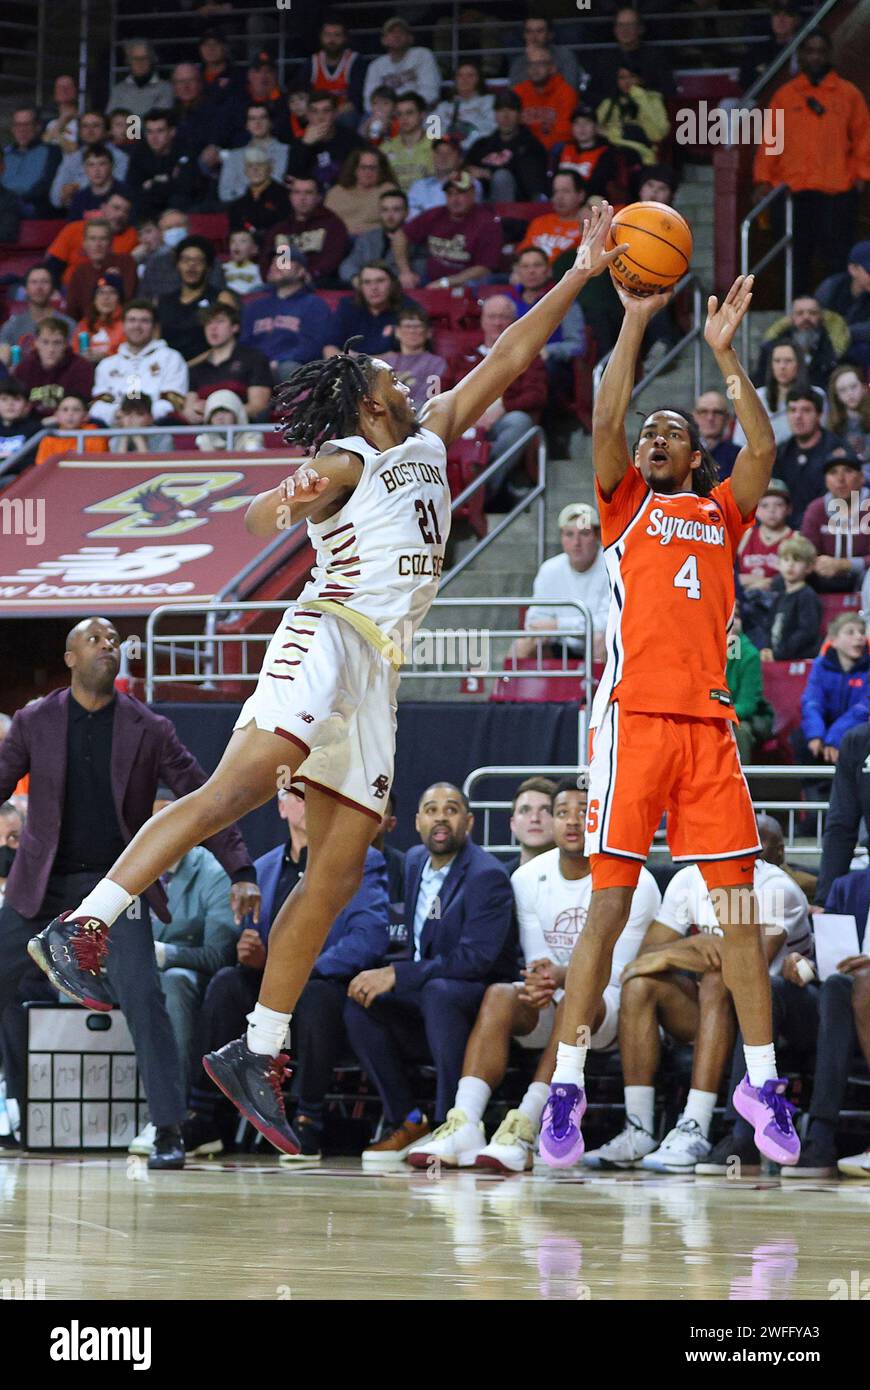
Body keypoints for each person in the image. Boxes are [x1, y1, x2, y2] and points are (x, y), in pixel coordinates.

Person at [27, 204, 628, 1158]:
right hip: (328, 634)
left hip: (378, 674)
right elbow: (269, 514)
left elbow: (511, 354)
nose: (406, 369)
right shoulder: (349, 455)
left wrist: (582, 271)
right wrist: (283, 497)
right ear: (364, 400)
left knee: (341, 864)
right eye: (389, 368)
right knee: (234, 790)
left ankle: (257, 1050)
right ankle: (87, 923)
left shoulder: (431, 430)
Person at [537, 268, 804, 1172]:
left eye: (671, 433)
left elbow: (761, 455)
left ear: (696, 458)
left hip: (709, 731)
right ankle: (568, 1083)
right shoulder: (625, 507)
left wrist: (730, 361)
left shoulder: (718, 511)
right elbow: (606, 419)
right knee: (610, 906)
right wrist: (635, 320)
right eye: (650, 433)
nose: (653, 438)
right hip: (635, 724)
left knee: (739, 913)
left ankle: (761, 1081)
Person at [0, 617, 258, 1170]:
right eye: (94, 639)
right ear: (69, 658)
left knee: (145, 995)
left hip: (116, 889)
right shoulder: (34, 721)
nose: (107, 646)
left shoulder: (149, 727)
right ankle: (17, 1106)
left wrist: (240, 866)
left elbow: (203, 796)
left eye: (114, 640)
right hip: (40, 885)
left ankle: (169, 1128)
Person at [405, 779, 660, 1173]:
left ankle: (524, 1126)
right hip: (552, 996)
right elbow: (537, 960)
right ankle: (464, 1121)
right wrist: (546, 978)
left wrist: (559, 978)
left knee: (581, 999)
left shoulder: (635, 881)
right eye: (562, 813)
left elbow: (617, 970)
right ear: (552, 822)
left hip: (611, 1009)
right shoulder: (526, 877)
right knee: (500, 995)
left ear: (601, 820)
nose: (573, 821)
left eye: (584, 812)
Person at [585, 825, 809, 1173]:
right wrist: (693, 947)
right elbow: (646, 955)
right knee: (640, 985)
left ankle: (695, 1126)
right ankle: (639, 1127)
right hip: (711, 1014)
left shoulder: (776, 887)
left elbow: (747, 963)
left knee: (720, 978)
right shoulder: (687, 879)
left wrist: (679, 952)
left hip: (764, 1021)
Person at [349, 783, 516, 1165]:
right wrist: (388, 973)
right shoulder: (412, 862)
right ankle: (408, 1119)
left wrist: (400, 973)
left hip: (479, 995)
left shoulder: (486, 876)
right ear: (418, 822)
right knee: (359, 1000)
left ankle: (450, 1122)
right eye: (431, 809)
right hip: (429, 987)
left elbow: (474, 959)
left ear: (468, 821)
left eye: (452, 809)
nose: (441, 816)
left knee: (439, 991)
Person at [127, 786, 240, 1154]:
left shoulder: (212, 872)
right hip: (137, 975)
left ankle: (168, 1118)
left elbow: (220, 955)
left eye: (171, 816)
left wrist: (165, 954)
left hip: (191, 983)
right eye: (153, 817)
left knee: (173, 982)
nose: (163, 825)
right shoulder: (131, 865)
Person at [752, 30, 870, 294]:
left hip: (837, 190)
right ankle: (797, 315)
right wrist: (763, 179)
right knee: (795, 257)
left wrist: (861, 176)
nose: (816, 56)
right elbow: (771, 141)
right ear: (800, 56)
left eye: (821, 51)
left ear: (830, 54)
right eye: (810, 51)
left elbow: (864, 138)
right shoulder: (785, 95)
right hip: (794, 191)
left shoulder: (848, 94)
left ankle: (839, 316)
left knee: (838, 258)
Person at [444, 294, 548, 502]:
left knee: (520, 422)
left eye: (504, 317)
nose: (497, 323)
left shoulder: (528, 355)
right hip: (464, 421)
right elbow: (444, 389)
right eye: (492, 317)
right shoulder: (464, 355)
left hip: (501, 422)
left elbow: (537, 395)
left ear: (514, 322)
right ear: (482, 320)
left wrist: (503, 408)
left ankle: (482, 493)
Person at [516, 503, 611, 663]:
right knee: (523, 644)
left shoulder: (612, 566)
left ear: (598, 537)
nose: (576, 542)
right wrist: (549, 630)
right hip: (560, 644)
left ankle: (597, 688)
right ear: (561, 538)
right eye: (569, 534)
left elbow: (607, 621)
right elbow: (534, 621)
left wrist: (558, 625)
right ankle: (520, 688)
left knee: (600, 640)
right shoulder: (549, 569)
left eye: (584, 533)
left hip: (600, 643)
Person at [89, 299, 188, 425]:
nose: (137, 326)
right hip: (115, 432)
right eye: (132, 320)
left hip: (157, 432)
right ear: (123, 325)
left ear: (155, 327)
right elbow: (98, 405)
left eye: (144, 321)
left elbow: (173, 402)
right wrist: (124, 416)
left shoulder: (171, 358)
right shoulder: (107, 364)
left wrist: (140, 417)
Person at [239, 249, 332, 381]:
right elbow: (245, 343)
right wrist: (258, 364)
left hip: (290, 366)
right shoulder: (254, 306)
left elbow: (312, 345)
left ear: (301, 272)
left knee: (289, 370)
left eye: (284, 261)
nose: (276, 265)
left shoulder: (314, 304)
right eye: (273, 262)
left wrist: (278, 361)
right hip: (255, 367)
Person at [404, 170, 501, 290]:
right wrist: (405, 271)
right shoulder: (435, 214)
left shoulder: (487, 223)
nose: (454, 199)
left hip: (466, 284)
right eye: (450, 194)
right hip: (430, 279)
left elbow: (484, 268)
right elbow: (401, 235)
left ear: (473, 194)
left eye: (460, 193)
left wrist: (446, 283)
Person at [794, 614, 870, 768]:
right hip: (827, 729)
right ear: (834, 640)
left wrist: (836, 736)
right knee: (802, 736)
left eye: (861, 632)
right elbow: (812, 702)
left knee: (860, 737)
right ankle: (814, 790)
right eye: (850, 632)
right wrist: (816, 734)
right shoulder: (821, 665)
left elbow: (864, 708)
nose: (859, 637)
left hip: (857, 729)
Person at [184, 302, 272, 423]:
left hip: (243, 432)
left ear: (235, 327)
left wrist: (217, 413)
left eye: (220, 321)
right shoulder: (197, 368)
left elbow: (258, 406)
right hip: (206, 436)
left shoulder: (254, 359)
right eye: (208, 323)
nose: (212, 328)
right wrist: (195, 413)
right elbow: (189, 410)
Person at [259, 177, 350, 290]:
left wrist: (310, 274)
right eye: (297, 192)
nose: (302, 198)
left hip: (316, 283)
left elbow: (331, 259)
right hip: (282, 282)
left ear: (319, 197)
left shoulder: (332, 224)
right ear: (290, 197)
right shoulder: (281, 229)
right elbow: (266, 260)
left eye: (308, 193)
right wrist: (276, 276)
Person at [507, 247, 586, 371]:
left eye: (537, 265)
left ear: (548, 270)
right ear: (517, 272)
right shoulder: (506, 300)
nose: (531, 271)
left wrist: (548, 351)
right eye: (525, 266)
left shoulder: (564, 300)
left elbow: (577, 345)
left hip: (549, 367)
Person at [802, 451, 870, 592]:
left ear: (862, 477)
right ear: (826, 480)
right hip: (823, 578)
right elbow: (806, 550)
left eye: (848, 471)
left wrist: (847, 565)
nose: (840, 479)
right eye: (833, 472)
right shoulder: (816, 509)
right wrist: (818, 564)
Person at [466, 90, 549, 204]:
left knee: (502, 177)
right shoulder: (482, 145)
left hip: (516, 206)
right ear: (495, 115)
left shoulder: (531, 145)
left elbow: (531, 183)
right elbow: (465, 168)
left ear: (520, 115)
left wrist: (489, 173)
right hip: (481, 205)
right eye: (500, 110)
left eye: (511, 110)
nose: (505, 116)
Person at [773, 388, 840, 527]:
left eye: (806, 410)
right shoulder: (781, 452)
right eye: (792, 410)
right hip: (785, 530)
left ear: (819, 415)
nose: (798, 416)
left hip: (826, 527)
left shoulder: (836, 451)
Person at [338, 188, 427, 290]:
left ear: (407, 213)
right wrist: (356, 279)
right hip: (367, 292)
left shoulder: (416, 240)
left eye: (396, 210)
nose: (390, 216)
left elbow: (419, 271)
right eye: (385, 210)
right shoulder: (368, 238)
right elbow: (348, 265)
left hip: (400, 293)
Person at [46, 193, 138, 288]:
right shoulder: (74, 229)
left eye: (126, 211)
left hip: (109, 292)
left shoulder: (132, 236)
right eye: (116, 208)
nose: (120, 215)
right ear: (103, 207)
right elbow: (54, 265)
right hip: (69, 289)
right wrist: (54, 291)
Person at [754, 534, 822, 662]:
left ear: (809, 567)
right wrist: (767, 648)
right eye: (786, 560)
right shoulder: (780, 595)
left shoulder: (807, 596)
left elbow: (806, 633)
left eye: (796, 560)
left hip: (796, 659)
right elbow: (769, 626)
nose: (790, 565)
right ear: (778, 564)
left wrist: (779, 653)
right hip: (778, 656)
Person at [754, 297, 843, 394]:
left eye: (812, 313)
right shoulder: (771, 349)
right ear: (791, 318)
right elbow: (761, 381)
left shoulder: (833, 350)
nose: (806, 318)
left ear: (821, 317)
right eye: (800, 313)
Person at [125, 109, 203, 219]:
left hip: (179, 209)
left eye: (160, 131)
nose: (154, 137)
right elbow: (132, 188)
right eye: (149, 131)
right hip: (148, 209)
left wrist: (152, 184)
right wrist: (168, 182)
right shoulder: (139, 153)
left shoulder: (185, 151)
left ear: (172, 132)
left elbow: (186, 187)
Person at [323, 261, 408, 359]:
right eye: (367, 282)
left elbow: (411, 355)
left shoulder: (407, 309)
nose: (374, 288)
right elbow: (329, 348)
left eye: (380, 281)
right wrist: (342, 359)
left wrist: (357, 359)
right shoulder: (347, 306)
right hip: (350, 370)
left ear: (392, 284)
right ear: (360, 287)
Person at [13, 317, 94, 418]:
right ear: (36, 343)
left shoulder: (81, 367)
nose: (51, 349)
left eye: (57, 343)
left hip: (68, 424)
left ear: (66, 344)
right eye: (45, 342)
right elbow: (15, 404)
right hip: (31, 425)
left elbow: (82, 405)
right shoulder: (24, 368)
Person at [735, 340, 810, 448]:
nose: (782, 366)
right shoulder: (756, 397)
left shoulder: (814, 395)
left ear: (799, 364)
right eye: (777, 361)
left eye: (788, 361)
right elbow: (739, 441)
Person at [50, 111, 130, 212]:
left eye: (95, 126)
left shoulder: (120, 158)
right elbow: (55, 199)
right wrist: (66, 194)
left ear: (107, 131)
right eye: (85, 126)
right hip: (77, 212)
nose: (90, 131)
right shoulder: (72, 158)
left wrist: (76, 188)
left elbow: (116, 191)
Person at [157, 236, 221, 361]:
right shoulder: (164, 301)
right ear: (178, 264)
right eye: (186, 260)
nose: (191, 265)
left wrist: (185, 369)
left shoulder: (219, 299)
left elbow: (224, 345)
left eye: (198, 260)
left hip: (206, 370)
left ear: (208, 267)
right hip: (168, 370)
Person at [591, 7, 675, 102]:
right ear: (615, 30)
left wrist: (641, 87)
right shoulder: (604, 59)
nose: (625, 30)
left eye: (630, 25)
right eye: (620, 25)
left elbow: (669, 91)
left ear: (641, 29)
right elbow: (593, 93)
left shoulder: (656, 58)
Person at [138, 209, 225, 301]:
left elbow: (218, 294)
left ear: (189, 229)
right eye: (169, 228)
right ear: (162, 234)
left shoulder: (209, 260)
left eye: (179, 226)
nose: (174, 231)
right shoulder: (154, 265)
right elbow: (144, 297)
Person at [284, 91, 364, 190]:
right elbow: (290, 180)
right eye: (314, 111)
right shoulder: (299, 143)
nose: (320, 117)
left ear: (335, 114)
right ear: (308, 115)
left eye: (326, 111)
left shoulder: (353, 140)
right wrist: (305, 145)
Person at [63, 217, 138, 321]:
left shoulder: (126, 262)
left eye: (103, 239)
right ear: (84, 244)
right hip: (89, 329)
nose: (97, 244)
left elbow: (128, 300)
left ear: (111, 243)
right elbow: (72, 312)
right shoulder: (80, 272)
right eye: (92, 239)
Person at [595, 64, 670, 167]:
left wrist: (640, 97)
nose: (627, 81)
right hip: (614, 151)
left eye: (632, 77)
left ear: (640, 79)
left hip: (644, 154)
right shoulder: (608, 103)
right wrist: (616, 134)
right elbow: (598, 130)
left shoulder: (653, 99)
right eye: (622, 78)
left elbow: (658, 134)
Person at [362, 18, 442, 112]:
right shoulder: (375, 65)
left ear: (410, 38)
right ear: (384, 40)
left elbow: (431, 92)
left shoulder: (423, 55)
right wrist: (389, 111)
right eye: (391, 32)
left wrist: (405, 110)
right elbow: (368, 99)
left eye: (401, 32)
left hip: (419, 111)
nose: (397, 35)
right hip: (386, 114)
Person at [0, 265, 75, 365]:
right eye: (34, 282)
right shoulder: (12, 325)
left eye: (44, 282)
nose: (39, 287)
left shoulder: (68, 324)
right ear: (25, 289)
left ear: (53, 288)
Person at [726, 610, 774, 763]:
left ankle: (740, 782)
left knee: (738, 731)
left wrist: (719, 715)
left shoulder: (749, 654)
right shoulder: (705, 650)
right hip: (716, 714)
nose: (734, 621)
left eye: (738, 616)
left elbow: (747, 706)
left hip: (747, 719)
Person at [218, 104, 288, 205]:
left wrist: (244, 188)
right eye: (252, 119)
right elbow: (225, 194)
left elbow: (282, 184)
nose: (257, 123)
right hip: (243, 212)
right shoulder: (233, 157)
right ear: (247, 125)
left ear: (271, 122)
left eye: (262, 117)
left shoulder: (286, 152)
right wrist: (252, 191)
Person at [737, 478, 793, 604]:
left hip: (781, 602)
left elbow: (795, 578)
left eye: (778, 505)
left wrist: (757, 581)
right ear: (756, 510)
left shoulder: (795, 539)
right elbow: (732, 577)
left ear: (789, 509)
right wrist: (765, 580)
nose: (771, 510)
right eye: (764, 505)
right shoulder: (745, 536)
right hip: (747, 603)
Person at [552, 104, 624, 201]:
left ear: (596, 127)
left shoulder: (606, 153)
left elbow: (599, 185)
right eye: (577, 123)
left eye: (587, 122)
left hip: (591, 203)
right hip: (562, 201)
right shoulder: (563, 149)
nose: (582, 127)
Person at [381, 305, 447, 412]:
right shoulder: (386, 362)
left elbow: (431, 399)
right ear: (397, 332)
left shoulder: (436, 363)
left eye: (418, 326)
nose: (412, 331)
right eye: (407, 326)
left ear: (428, 332)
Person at [816, 241, 870, 369]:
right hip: (827, 347)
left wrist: (843, 331)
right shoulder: (832, 287)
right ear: (852, 269)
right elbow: (814, 317)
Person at [516, 170, 588, 266]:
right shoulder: (539, 222)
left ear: (581, 195)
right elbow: (522, 254)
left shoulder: (586, 226)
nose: (559, 197)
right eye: (556, 191)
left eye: (565, 191)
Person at [512, 47, 576, 153]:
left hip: (553, 151)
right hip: (523, 151)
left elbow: (564, 132)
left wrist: (539, 149)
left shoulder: (566, 92)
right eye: (531, 64)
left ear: (552, 68)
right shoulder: (518, 92)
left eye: (540, 64)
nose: (534, 69)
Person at [1, 107, 60, 217]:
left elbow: (45, 185)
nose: (22, 129)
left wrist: (12, 200)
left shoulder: (51, 151)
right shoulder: (5, 154)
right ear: (12, 129)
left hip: (33, 208)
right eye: (18, 125)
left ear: (38, 127)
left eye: (27, 125)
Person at [325, 148, 398, 237]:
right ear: (354, 169)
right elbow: (325, 222)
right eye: (363, 167)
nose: (367, 172)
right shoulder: (337, 192)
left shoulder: (388, 190)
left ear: (381, 170)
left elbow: (395, 222)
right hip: (340, 238)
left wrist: (370, 229)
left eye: (372, 168)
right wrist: (346, 229)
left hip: (375, 239)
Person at [406, 137, 481, 221]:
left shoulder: (470, 183)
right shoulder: (418, 186)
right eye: (438, 152)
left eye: (449, 153)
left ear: (460, 159)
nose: (443, 157)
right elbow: (409, 217)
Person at [308, 14, 366, 118]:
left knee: (349, 118)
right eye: (327, 35)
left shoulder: (355, 61)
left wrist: (331, 116)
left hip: (343, 116)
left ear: (345, 38)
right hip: (318, 114)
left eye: (337, 35)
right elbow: (302, 94)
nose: (332, 40)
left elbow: (357, 100)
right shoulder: (312, 61)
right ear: (321, 37)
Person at [379, 93, 436, 195]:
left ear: (422, 115)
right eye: (399, 114)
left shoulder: (436, 145)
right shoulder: (385, 148)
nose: (404, 118)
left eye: (409, 113)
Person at [508, 17, 585, 91]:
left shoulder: (565, 55)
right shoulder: (520, 60)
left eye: (539, 31)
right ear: (524, 35)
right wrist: (530, 60)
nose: (533, 37)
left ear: (550, 34)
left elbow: (571, 87)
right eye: (529, 31)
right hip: (529, 104)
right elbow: (514, 93)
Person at [434, 61, 496, 152]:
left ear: (479, 79)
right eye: (460, 75)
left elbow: (492, 128)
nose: (464, 79)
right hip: (448, 152)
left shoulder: (489, 100)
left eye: (470, 75)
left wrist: (464, 143)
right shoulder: (444, 106)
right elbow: (431, 129)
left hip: (478, 149)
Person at [227, 148, 291, 234]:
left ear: (270, 168)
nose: (255, 169)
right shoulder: (237, 206)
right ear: (245, 171)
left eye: (260, 165)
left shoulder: (285, 196)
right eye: (250, 166)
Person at [34, 392, 108, 466]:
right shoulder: (48, 439)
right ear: (56, 415)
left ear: (86, 416)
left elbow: (96, 464)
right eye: (65, 410)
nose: (70, 414)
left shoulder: (94, 435)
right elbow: (42, 467)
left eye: (76, 410)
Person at [107, 38, 173, 118]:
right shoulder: (118, 90)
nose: (140, 63)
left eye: (144, 58)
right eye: (135, 59)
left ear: (152, 60)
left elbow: (161, 120)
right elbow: (110, 119)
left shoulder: (165, 88)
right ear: (128, 61)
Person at [74, 274, 126, 362]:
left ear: (119, 298)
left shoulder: (126, 324)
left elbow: (129, 354)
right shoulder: (84, 324)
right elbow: (75, 352)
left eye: (112, 292)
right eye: (101, 292)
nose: (106, 298)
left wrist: (106, 356)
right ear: (94, 299)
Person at [66, 146, 125, 221]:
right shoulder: (79, 198)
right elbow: (72, 228)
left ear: (112, 166)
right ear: (85, 169)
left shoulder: (125, 194)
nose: (96, 170)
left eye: (102, 164)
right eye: (91, 165)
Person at [827, 365, 870, 462]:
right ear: (837, 395)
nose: (850, 393)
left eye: (854, 387)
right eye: (843, 390)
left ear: (863, 387)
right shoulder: (835, 423)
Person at [693, 391, 740, 480]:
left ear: (727, 418)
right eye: (703, 412)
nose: (710, 418)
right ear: (694, 417)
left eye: (717, 412)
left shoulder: (739, 456)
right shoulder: (685, 453)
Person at [108, 393, 174, 454]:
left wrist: (137, 436)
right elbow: (118, 464)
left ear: (151, 418)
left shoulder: (164, 438)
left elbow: (151, 465)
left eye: (139, 414)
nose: (132, 419)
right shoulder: (115, 439)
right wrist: (124, 437)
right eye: (127, 414)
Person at [0, 379, 42, 474]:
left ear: (27, 406)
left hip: (18, 480)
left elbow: (33, 462)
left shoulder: (35, 429)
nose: (10, 404)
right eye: (4, 399)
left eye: (16, 399)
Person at [222, 228, 264, 298]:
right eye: (232, 241)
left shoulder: (259, 270)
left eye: (243, 241)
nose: (236, 245)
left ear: (254, 249)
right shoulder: (222, 268)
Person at [43, 74, 79, 154]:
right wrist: (62, 121)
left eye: (68, 87)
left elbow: (75, 151)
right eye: (60, 87)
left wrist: (57, 134)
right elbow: (44, 144)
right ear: (55, 93)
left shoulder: (84, 121)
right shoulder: (50, 123)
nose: (64, 90)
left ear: (75, 91)